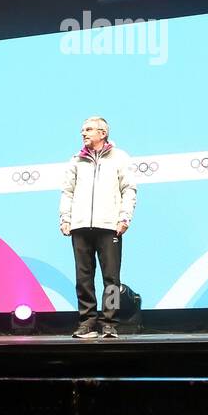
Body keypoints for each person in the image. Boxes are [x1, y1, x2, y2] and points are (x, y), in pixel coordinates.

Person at [59, 117, 137, 339]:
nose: (84, 133)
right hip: (80, 226)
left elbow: (129, 189)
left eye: (89, 130)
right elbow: (67, 192)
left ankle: (109, 323)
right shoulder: (76, 160)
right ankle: (87, 322)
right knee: (83, 278)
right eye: (82, 130)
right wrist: (66, 218)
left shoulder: (119, 158)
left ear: (103, 133)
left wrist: (124, 218)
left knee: (111, 279)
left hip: (109, 226)